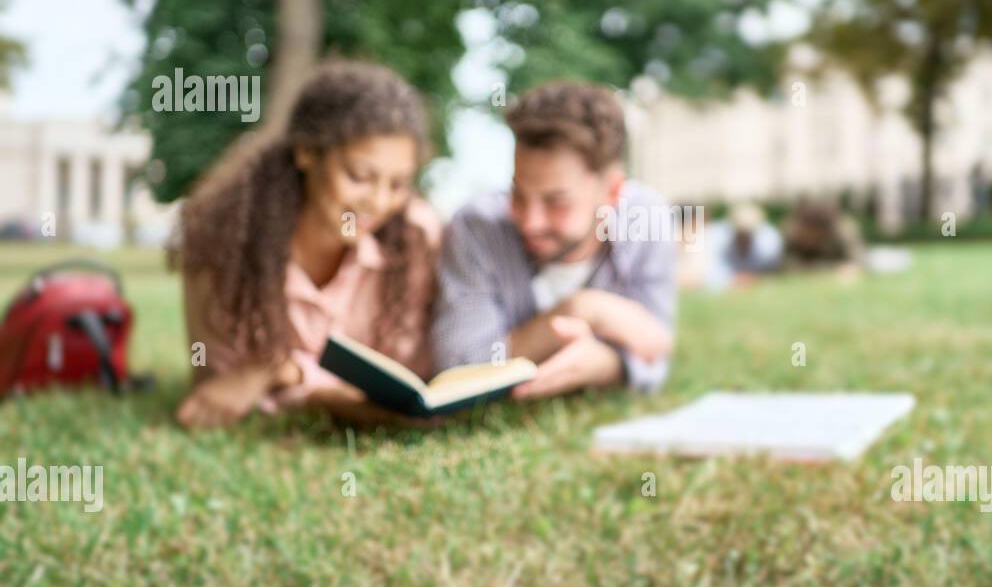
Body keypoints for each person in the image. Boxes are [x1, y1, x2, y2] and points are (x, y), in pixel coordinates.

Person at [175, 60, 441, 428]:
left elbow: (408, 375)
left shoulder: (414, 236)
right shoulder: (225, 246)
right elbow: (221, 386)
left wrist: (286, 373)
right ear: (307, 153)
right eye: (359, 176)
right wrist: (302, 383)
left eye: (398, 184)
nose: (379, 202)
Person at [433, 80, 676, 399]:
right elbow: (460, 366)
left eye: (556, 201)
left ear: (612, 191)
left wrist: (605, 365)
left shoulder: (647, 219)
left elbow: (654, 348)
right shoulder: (476, 227)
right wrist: (579, 310)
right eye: (518, 194)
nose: (531, 222)